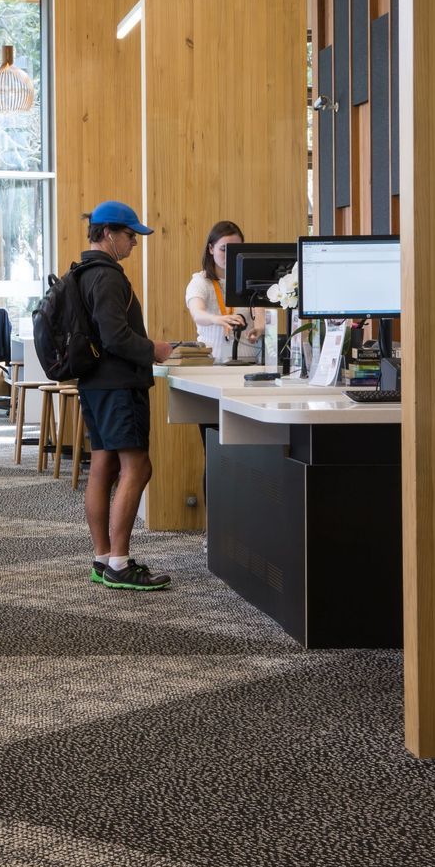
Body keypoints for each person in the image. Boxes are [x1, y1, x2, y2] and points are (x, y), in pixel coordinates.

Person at [75, 200, 176, 591]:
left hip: (95, 385)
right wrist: (155, 349)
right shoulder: (109, 277)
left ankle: (103, 558)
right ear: (107, 234)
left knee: (103, 468)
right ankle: (119, 561)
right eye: (129, 235)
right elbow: (115, 336)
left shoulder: (83, 273)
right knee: (138, 468)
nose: (134, 242)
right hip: (118, 386)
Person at [186, 220, 264, 362]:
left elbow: (259, 314)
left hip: (249, 363)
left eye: (236, 249)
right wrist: (218, 319)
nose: (230, 255)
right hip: (212, 363)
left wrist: (259, 329)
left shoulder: (249, 281)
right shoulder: (200, 281)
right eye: (224, 249)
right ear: (211, 249)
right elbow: (198, 314)